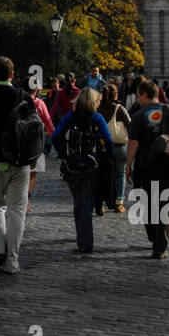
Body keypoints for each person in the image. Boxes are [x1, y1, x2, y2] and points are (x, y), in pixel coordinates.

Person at [0, 57, 46, 274]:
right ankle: (12, 260)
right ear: (12, 74)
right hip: (21, 161)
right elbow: (35, 131)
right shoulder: (23, 97)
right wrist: (34, 157)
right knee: (17, 209)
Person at [125, 79, 169, 260]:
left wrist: (128, 166)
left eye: (139, 96)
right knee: (166, 206)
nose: (138, 100)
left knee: (148, 206)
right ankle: (160, 245)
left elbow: (134, 143)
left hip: (146, 167)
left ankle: (155, 238)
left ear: (145, 95)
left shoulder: (138, 116)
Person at [51, 87, 114, 254]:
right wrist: (107, 158)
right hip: (91, 164)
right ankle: (85, 242)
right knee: (86, 203)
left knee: (78, 202)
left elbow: (55, 136)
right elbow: (108, 140)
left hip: (72, 165)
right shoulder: (97, 118)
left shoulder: (69, 117)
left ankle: (81, 238)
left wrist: (63, 155)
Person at [97, 82, 131, 213]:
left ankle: (101, 202)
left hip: (102, 146)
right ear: (115, 95)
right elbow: (130, 125)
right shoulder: (119, 109)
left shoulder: (98, 108)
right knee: (120, 174)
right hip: (119, 145)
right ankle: (119, 202)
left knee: (102, 175)